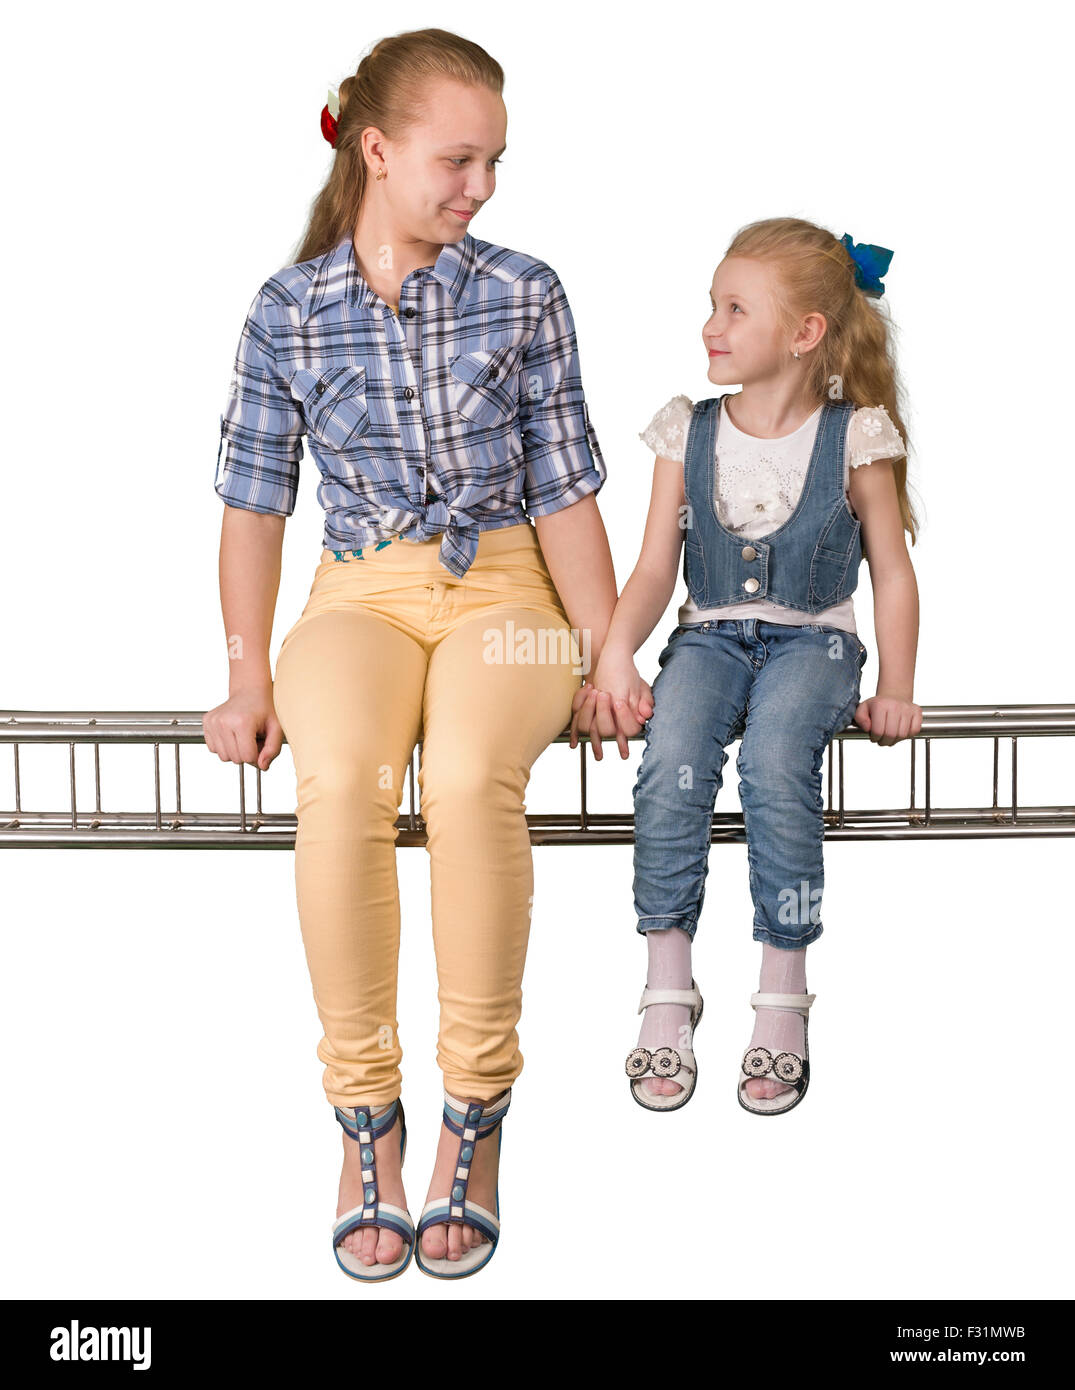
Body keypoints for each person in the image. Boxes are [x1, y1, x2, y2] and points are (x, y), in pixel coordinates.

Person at [202, 28, 631, 1280]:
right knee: (335, 781)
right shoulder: (289, 309)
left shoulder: (526, 291)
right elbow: (252, 510)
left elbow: (563, 494)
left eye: (494, 162)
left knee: (462, 786)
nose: (480, 188)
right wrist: (242, 672)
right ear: (376, 152)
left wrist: (606, 650)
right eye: (457, 160)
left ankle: (477, 1115)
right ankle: (363, 1118)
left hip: (508, 584)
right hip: (360, 594)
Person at [572, 216, 923, 1116]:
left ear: (805, 334)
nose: (710, 325)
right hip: (709, 635)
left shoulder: (856, 436)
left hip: (815, 640)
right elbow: (654, 568)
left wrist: (894, 688)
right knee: (671, 766)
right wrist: (616, 655)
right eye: (710, 306)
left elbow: (890, 569)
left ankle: (781, 987)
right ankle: (667, 984)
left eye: (735, 308)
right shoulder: (685, 431)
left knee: (773, 765)